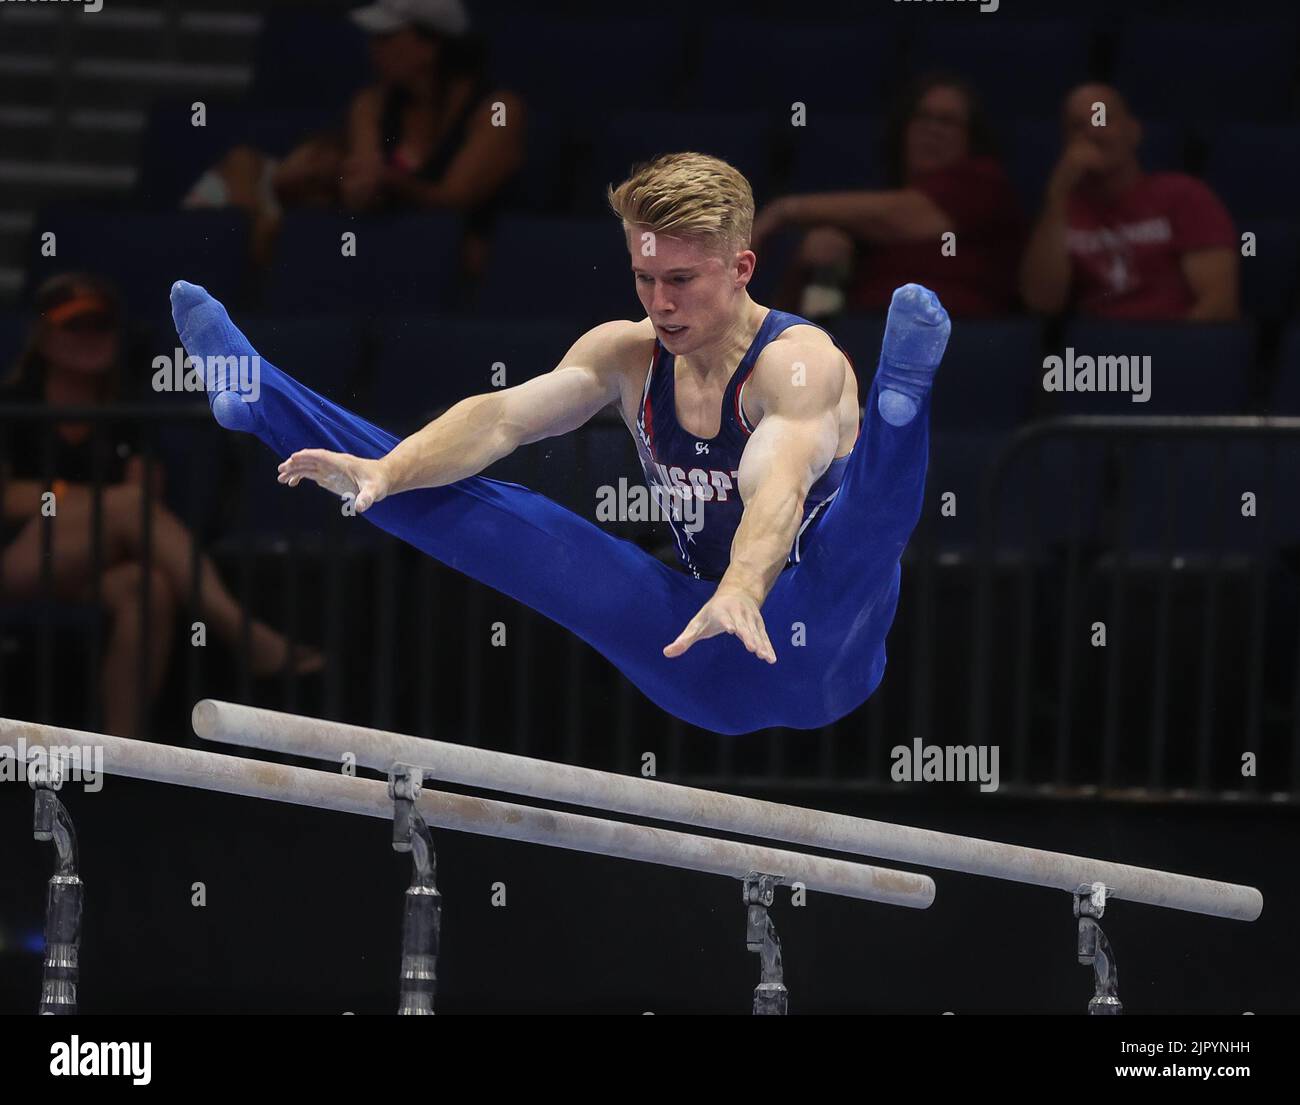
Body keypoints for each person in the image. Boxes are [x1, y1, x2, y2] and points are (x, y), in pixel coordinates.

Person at [169, 153, 949, 736]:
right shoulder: (625, 352)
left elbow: (774, 483)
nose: (660, 302)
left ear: (743, 267)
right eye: (645, 278)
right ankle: (259, 394)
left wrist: (745, 588)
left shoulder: (794, 364)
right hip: (696, 646)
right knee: (483, 510)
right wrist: (390, 467)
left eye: (682, 279)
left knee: (862, 533)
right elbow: (504, 418)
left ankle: (901, 401)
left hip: (820, 643)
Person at [0, 274, 322, 738]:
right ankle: (243, 633)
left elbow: (145, 496)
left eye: (102, 325)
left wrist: (83, 504)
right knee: (126, 506)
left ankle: (118, 756)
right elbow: (7, 498)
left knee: (147, 588)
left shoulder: (127, 409)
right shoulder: (15, 403)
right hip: (17, 559)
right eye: (76, 326)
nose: (92, 337)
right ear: (45, 336)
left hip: (96, 564)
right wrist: (89, 502)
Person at [184, 0, 525, 272]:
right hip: (384, 244)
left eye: (386, 38)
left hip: (454, 257)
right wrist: (331, 177)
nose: (373, 50)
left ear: (429, 46)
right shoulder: (371, 102)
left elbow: (455, 200)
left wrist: (387, 180)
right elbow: (361, 185)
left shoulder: (497, 110)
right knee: (245, 173)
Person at [752, 72, 1022, 318]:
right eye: (921, 117)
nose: (932, 129)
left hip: (959, 339)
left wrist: (784, 210)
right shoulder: (881, 194)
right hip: (866, 334)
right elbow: (786, 314)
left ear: (970, 137)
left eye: (947, 121)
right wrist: (803, 267)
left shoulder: (984, 184)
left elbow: (905, 217)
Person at [1020, 83, 1239, 320]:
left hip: (1173, 343)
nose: (1092, 133)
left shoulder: (1184, 195)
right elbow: (1041, 304)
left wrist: (1162, 352)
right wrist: (1058, 194)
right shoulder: (1060, 211)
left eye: (1102, 119)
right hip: (1095, 351)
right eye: (1078, 126)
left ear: (1133, 131)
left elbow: (1218, 306)